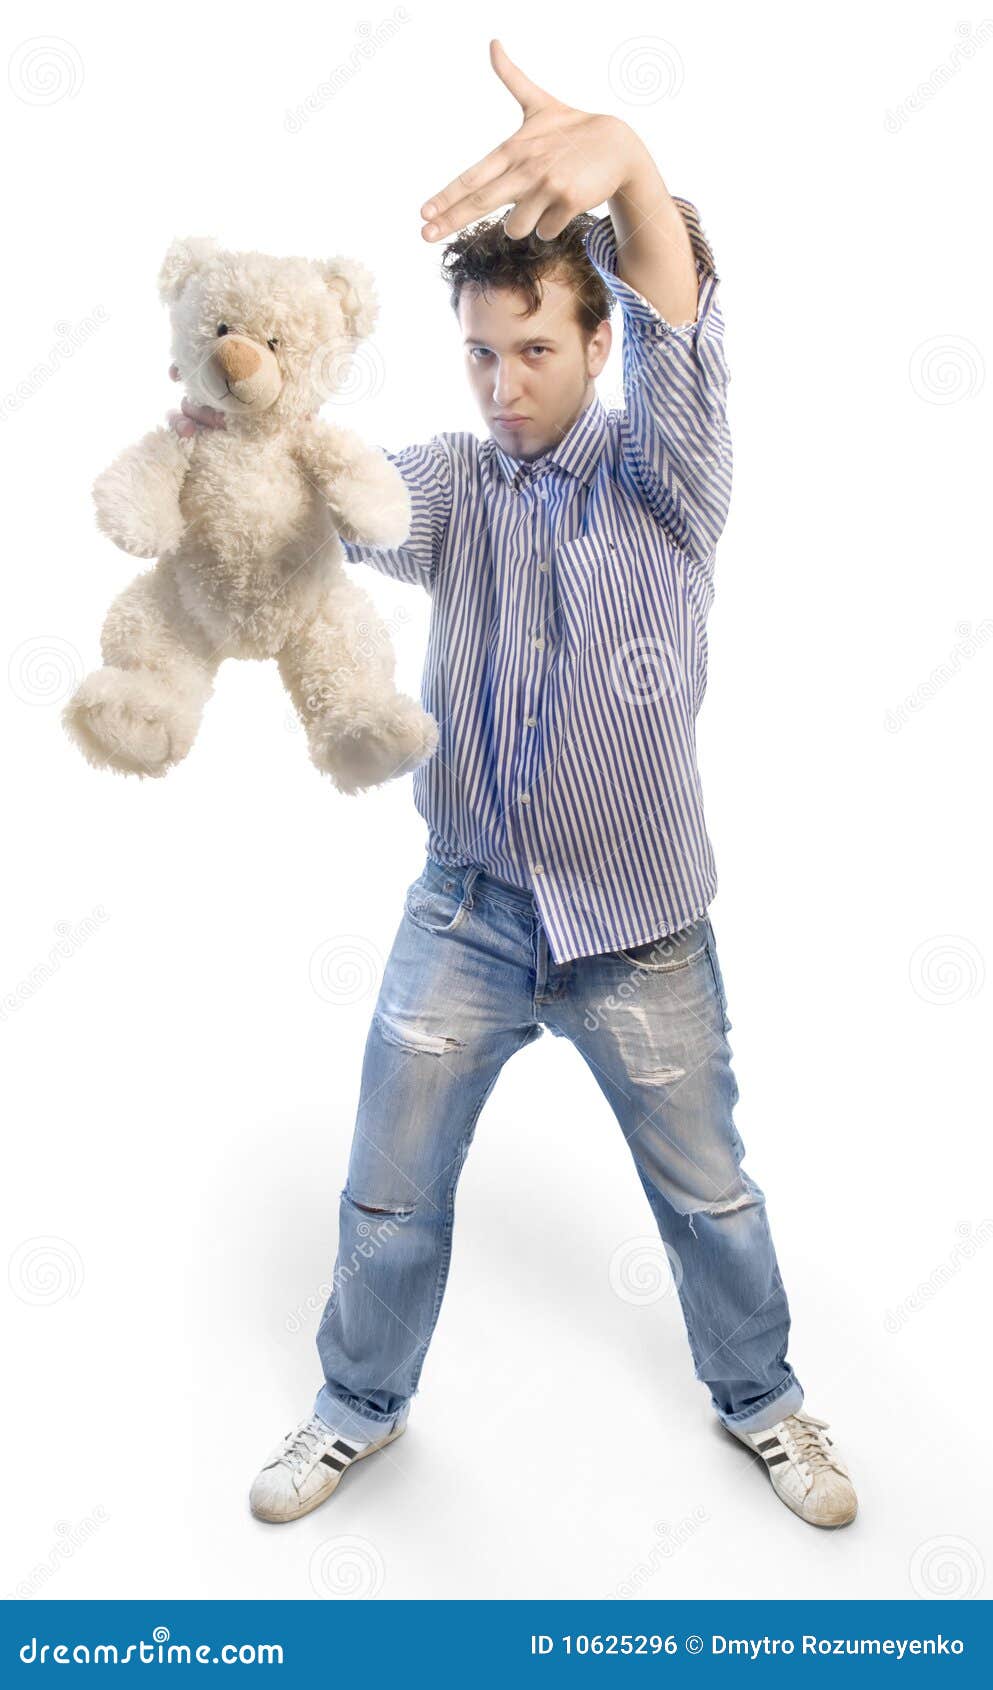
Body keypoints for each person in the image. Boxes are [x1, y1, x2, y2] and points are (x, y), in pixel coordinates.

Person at [170, 41, 857, 1531]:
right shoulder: (459, 478)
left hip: (640, 930)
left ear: (597, 344)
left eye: (533, 350)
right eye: (479, 353)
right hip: (464, 911)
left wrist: (631, 166)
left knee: (710, 1195)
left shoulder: (667, 480)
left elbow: (684, 325)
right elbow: (348, 496)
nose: (502, 385)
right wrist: (245, 428)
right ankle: (357, 1406)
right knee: (388, 1188)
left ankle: (762, 1398)